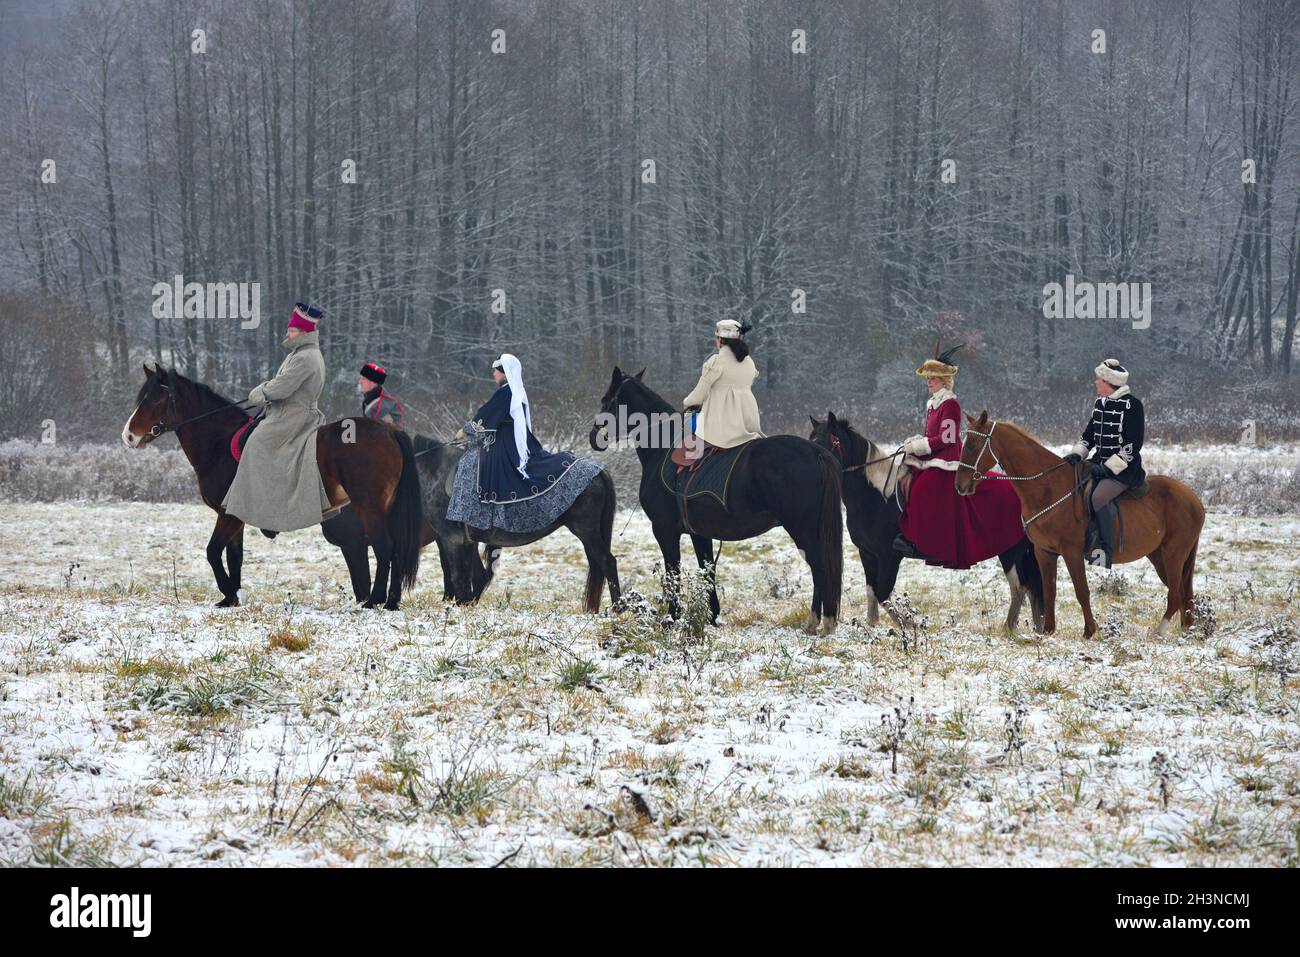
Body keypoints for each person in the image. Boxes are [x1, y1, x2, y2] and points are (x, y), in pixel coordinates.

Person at [222, 303, 331, 534]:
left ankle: (268, 510)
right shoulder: (300, 353)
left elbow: (282, 387)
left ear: (303, 333)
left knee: (257, 442)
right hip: (286, 411)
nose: (287, 333)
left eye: (291, 330)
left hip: (291, 415)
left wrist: (259, 392)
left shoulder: (305, 357)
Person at [1064, 358, 1146, 568]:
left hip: (1124, 470)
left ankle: (1104, 551)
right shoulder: (1099, 404)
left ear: (1109, 382)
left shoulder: (1132, 406)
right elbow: (1089, 436)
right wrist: (1077, 453)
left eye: (1098, 379)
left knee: (1099, 496)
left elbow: (1132, 445)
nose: (1095, 383)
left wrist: (1109, 467)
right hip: (1098, 463)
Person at [893, 344, 964, 558]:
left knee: (923, 489)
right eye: (928, 378)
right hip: (934, 457)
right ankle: (912, 534)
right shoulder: (933, 403)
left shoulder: (950, 404)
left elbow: (947, 438)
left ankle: (927, 542)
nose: (928, 381)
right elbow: (932, 434)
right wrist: (916, 442)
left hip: (947, 460)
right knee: (907, 479)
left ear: (943, 380)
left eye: (932, 378)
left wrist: (919, 446)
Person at [682, 318, 763, 449]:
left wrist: (686, 402)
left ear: (720, 340)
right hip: (749, 424)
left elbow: (698, 396)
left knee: (686, 437)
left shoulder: (716, 362)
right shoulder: (749, 362)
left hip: (721, 428)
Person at [358, 361, 404, 427]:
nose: (360, 382)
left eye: (363, 379)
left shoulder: (386, 405)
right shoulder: (370, 399)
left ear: (374, 383)